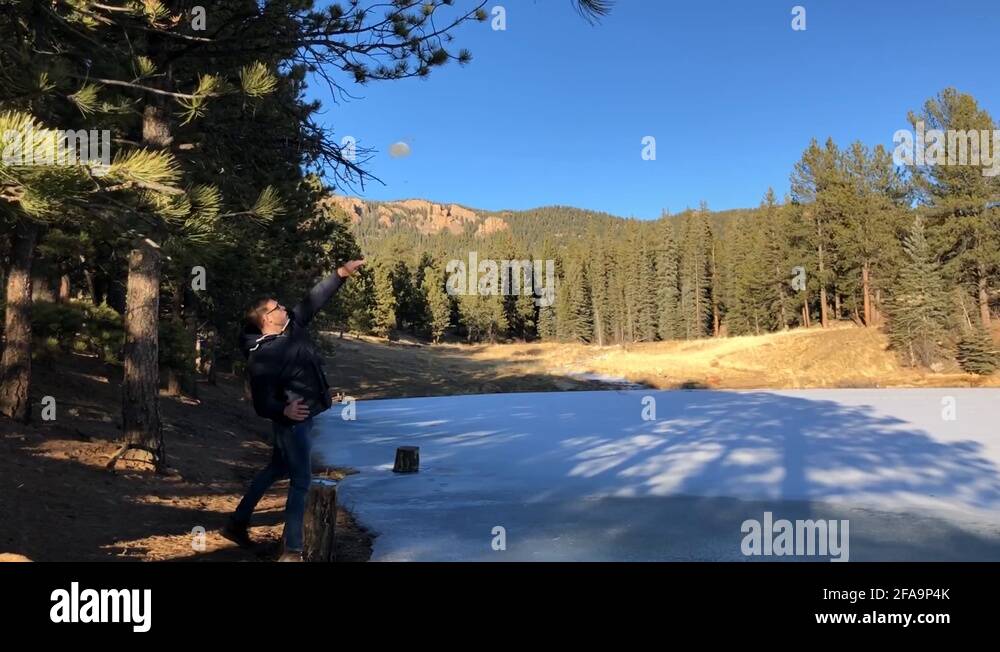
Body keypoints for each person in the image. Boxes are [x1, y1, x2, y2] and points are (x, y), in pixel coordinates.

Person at [222, 259, 365, 561]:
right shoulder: (264, 355)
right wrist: (284, 412)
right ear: (266, 320)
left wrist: (340, 275)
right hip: (293, 422)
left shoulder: (291, 327)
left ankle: (237, 523)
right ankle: (293, 550)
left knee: (277, 468)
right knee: (301, 481)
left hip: (303, 416)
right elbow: (261, 402)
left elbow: (313, 300)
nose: (284, 309)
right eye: (277, 308)